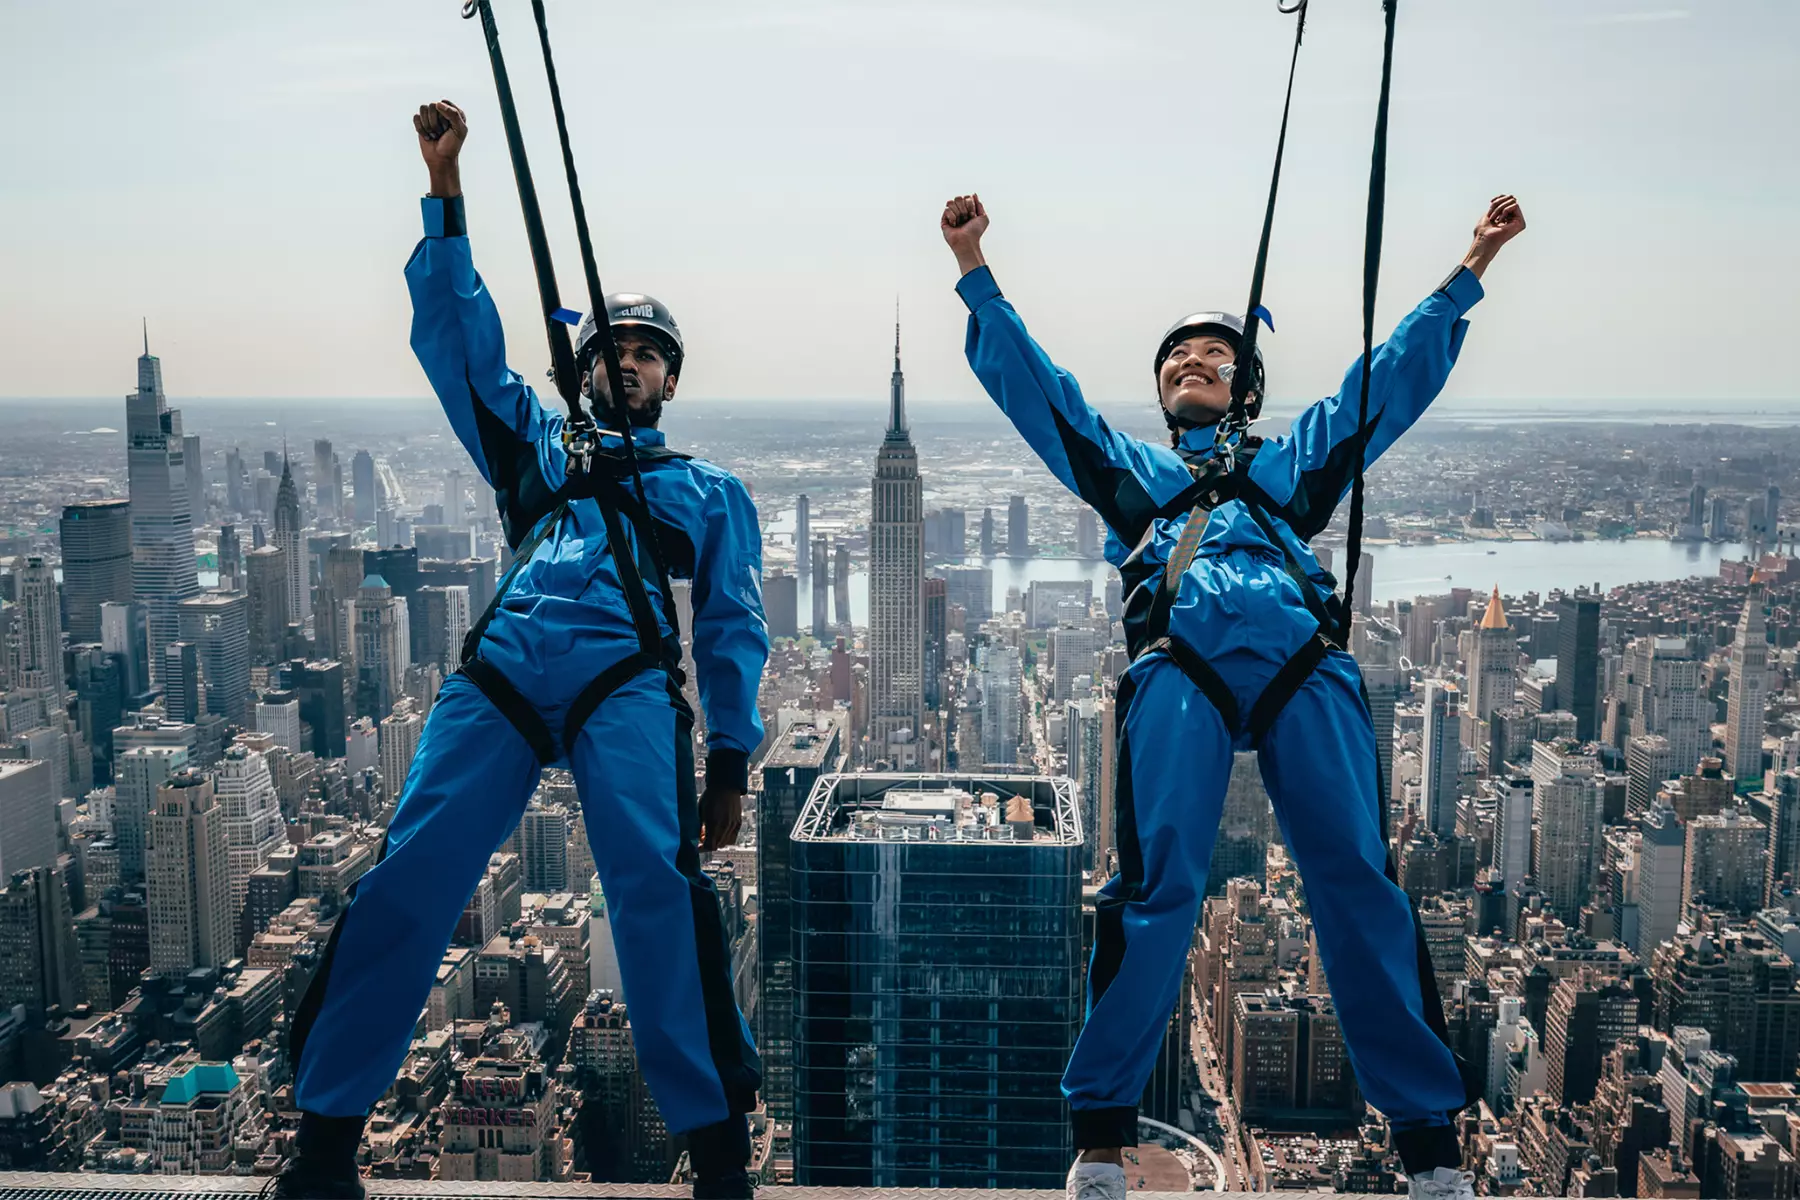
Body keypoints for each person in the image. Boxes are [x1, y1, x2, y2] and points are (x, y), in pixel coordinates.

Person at [940, 191, 1525, 1200]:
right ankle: (1101, 1141)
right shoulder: (1135, 479)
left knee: (1358, 883)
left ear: (1244, 389)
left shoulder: (1292, 473)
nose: (1189, 369)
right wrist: (976, 273)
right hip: (1183, 666)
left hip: (1305, 668)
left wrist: (1471, 267)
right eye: (1176, 364)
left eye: (1212, 360)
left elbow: (1379, 387)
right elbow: (1050, 404)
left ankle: (1430, 1147)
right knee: (1158, 885)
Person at [268, 100, 767, 1200]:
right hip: (496, 678)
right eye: (611, 351)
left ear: (671, 381)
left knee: (654, 887)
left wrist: (730, 755)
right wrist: (445, 196)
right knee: (410, 879)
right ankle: (323, 1143)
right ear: (586, 372)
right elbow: (462, 347)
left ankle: (719, 1151)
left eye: (647, 354)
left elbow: (733, 617)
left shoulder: (699, 492)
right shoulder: (533, 451)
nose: (627, 364)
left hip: (624, 682)